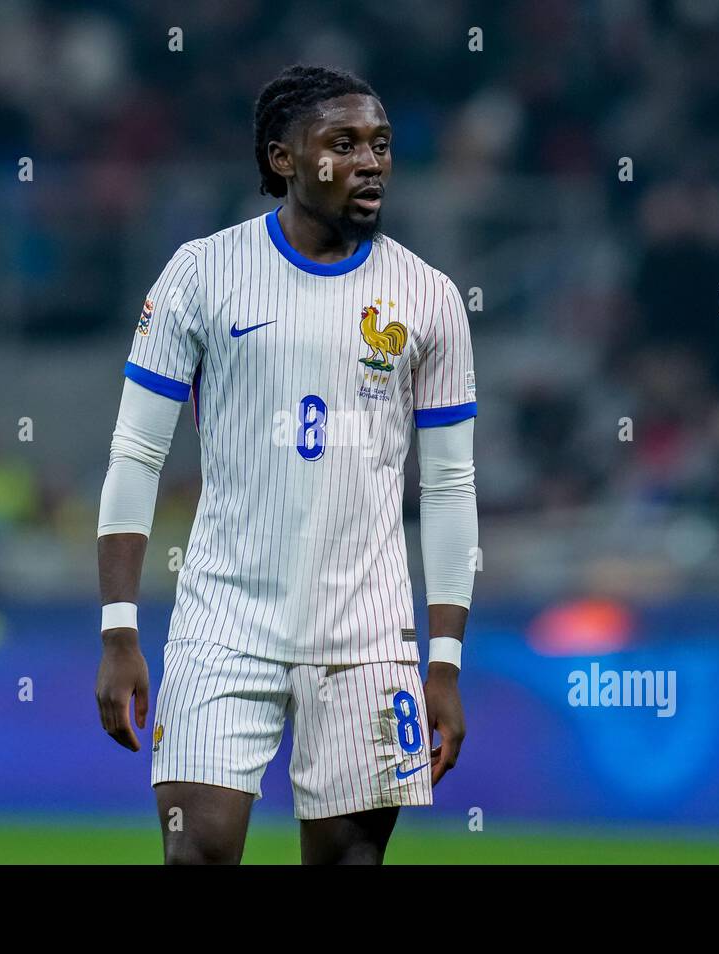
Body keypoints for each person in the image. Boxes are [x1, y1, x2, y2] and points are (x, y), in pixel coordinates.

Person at [94, 65, 478, 864]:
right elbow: (136, 452)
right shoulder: (202, 274)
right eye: (343, 144)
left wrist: (444, 661)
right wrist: (119, 630)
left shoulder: (430, 297)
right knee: (195, 852)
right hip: (221, 622)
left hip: (369, 634)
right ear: (283, 160)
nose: (370, 162)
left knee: (350, 863)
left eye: (380, 144)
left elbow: (447, 487)